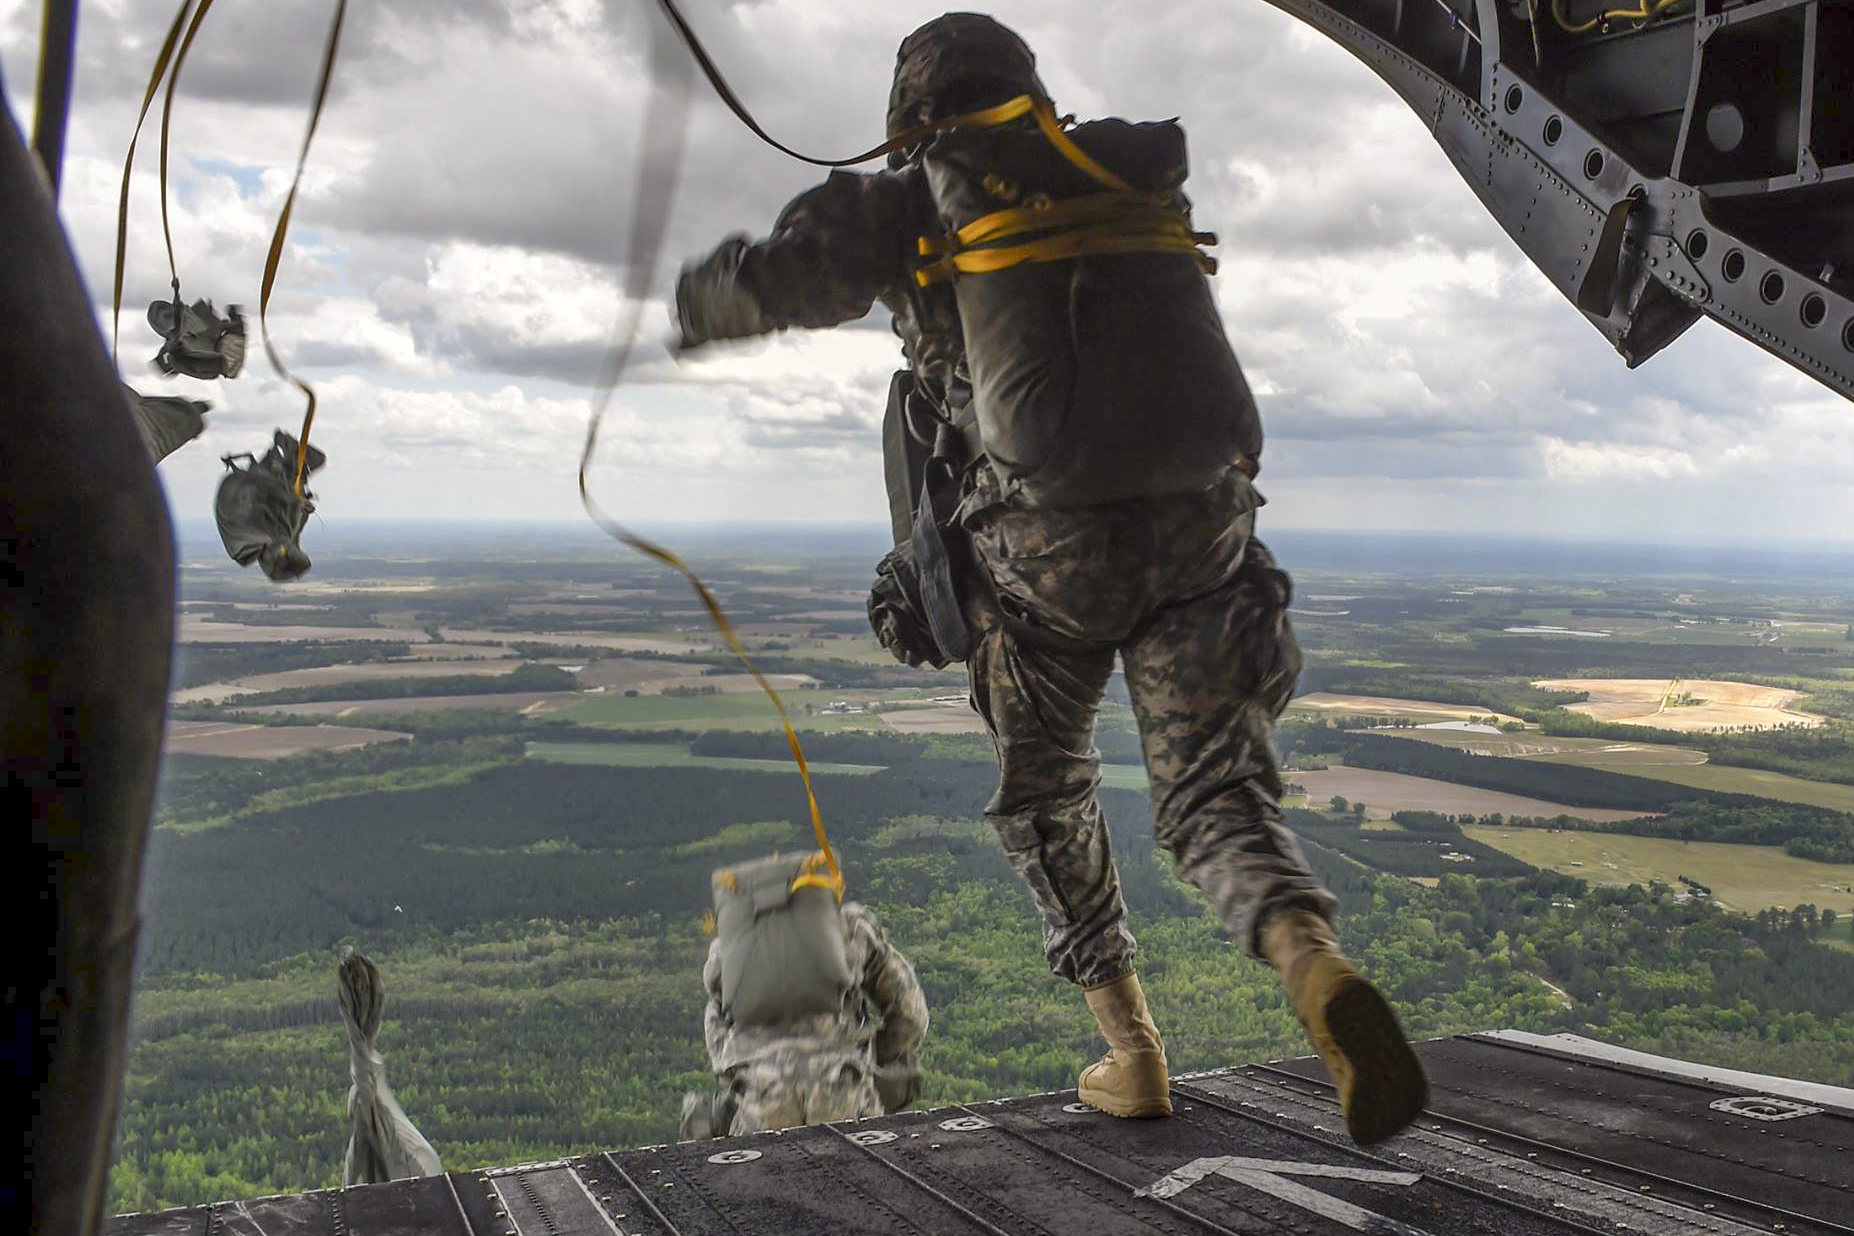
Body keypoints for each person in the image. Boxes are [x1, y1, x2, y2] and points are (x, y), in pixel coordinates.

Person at [672, 13, 1427, 1145]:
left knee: (1047, 799)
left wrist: (694, 298)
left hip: (1048, 564)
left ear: (911, 118)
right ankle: (1313, 967)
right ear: (1029, 94)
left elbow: (752, 292)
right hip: (1208, 532)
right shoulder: (1117, 178)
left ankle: (1135, 1055)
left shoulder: (912, 203)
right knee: (1217, 794)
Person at [683, 852, 928, 1138]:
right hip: (844, 1094)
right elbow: (910, 1014)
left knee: (711, 1124)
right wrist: (879, 1058)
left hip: (762, 1107)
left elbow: (718, 1040)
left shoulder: (726, 952)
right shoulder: (851, 927)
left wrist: (750, 1073)